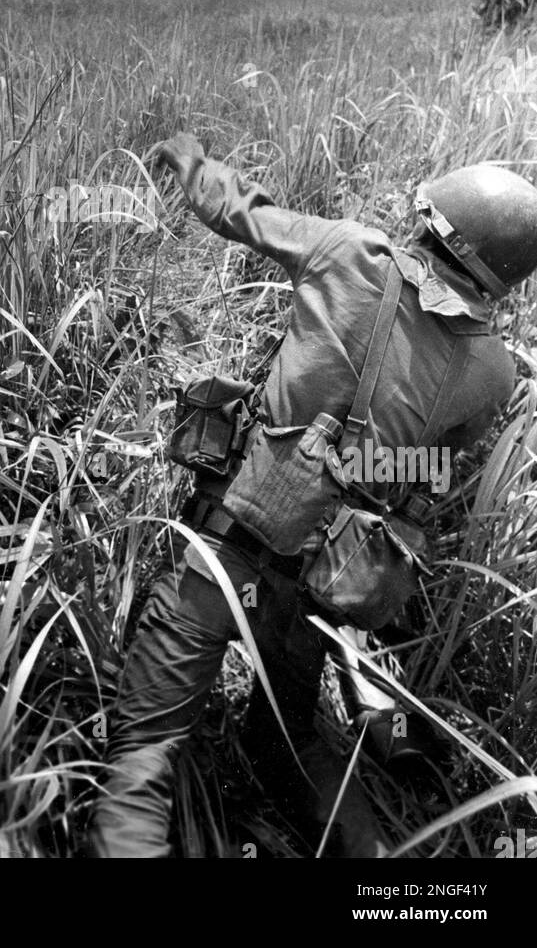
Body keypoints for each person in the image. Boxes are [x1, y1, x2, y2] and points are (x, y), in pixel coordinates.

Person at [88, 137, 537, 858]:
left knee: (145, 751)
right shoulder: (491, 370)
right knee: (291, 744)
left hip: (225, 550)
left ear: (432, 220)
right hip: (319, 588)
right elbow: (427, 480)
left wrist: (187, 158)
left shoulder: (350, 253)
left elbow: (243, 213)